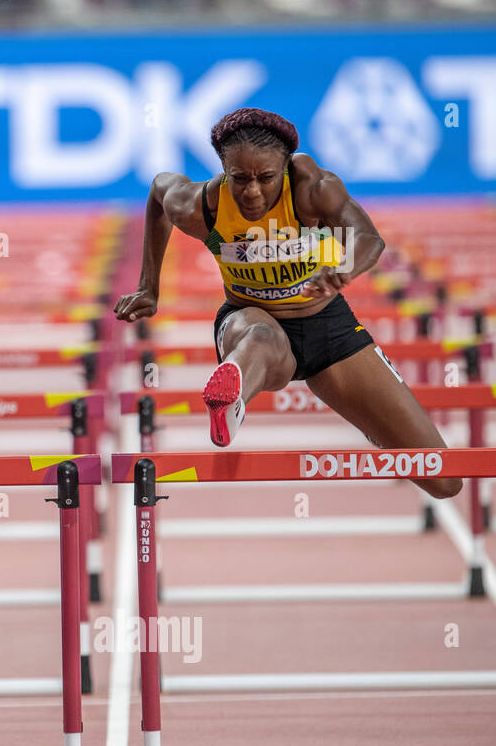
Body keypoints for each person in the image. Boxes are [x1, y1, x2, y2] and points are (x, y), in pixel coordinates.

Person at [113, 107, 461, 500]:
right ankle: (231, 400)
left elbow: (369, 239)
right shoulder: (202, 206)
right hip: (249, 320)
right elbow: (159, 191)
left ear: (285, 169)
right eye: (239, 178)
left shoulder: (313, 191)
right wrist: (149, 286)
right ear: (223, 170)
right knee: (262, 337)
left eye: (265, 178)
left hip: (330, 329)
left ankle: (369, 424)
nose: (252, 192)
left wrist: (342, 269)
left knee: (443, 478)